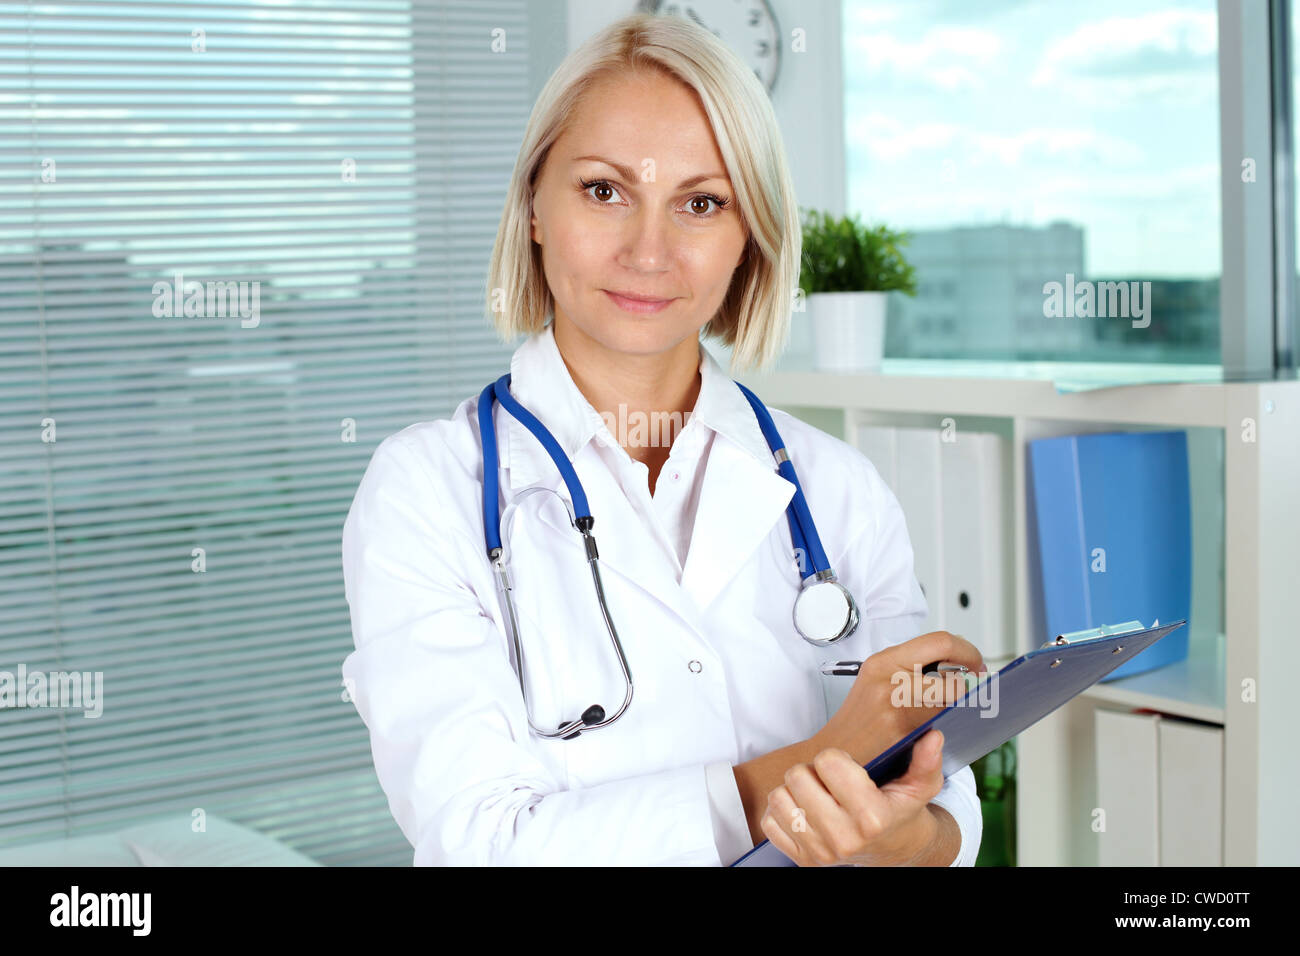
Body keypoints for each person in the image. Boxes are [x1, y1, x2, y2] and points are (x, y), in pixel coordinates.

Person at [340, 11, 986, 867]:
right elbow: (482, 844)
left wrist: (899, 839)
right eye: (604, 191)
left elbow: (946, 814)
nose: (650, 251)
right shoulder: (428, 490)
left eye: (701, 202)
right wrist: (822, 768)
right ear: (534, 204)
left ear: (746, 238)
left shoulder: (836, 487)